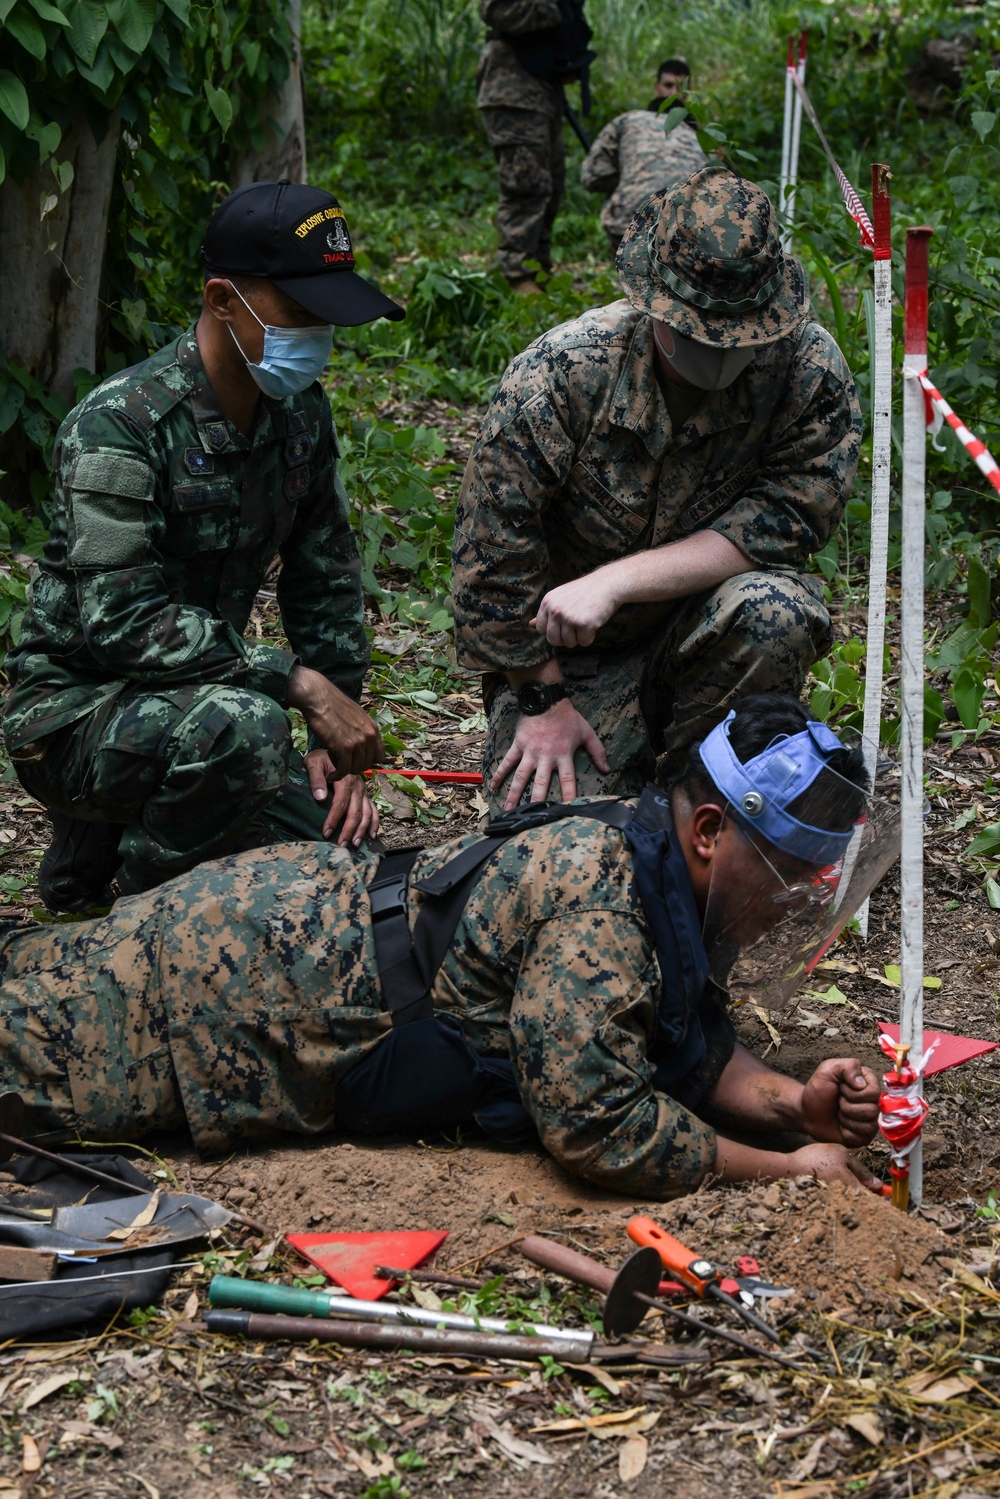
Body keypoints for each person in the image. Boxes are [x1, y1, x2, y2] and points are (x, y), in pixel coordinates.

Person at [0, 695, 892, 1200]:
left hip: (286, 928)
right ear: (709, 831)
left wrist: (791, 1104)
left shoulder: (652, 861)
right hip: (240, 993)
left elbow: (675, 1032)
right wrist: (786, 1169)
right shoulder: (602, 900)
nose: (787, 904)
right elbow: (599, 1125)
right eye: (783, 876)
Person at [2, 181, 404, 911]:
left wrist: (337, 738)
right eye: (300, 314)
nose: (318, 335)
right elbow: (123, 623)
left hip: (205, 697)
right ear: (223, 301)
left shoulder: (298, 413)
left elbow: (325, 577)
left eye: (328, 317)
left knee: (349, 864)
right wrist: (299, 685)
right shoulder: (121, 424)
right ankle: (129, 913)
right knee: (245, 732)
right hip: (80, 710)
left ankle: (127, 836)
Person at [452, 163, 862, 815]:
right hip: (569, 666)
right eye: (698, 327)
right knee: (549, 841)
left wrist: (617, 582)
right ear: (654, 304)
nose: (721, 348)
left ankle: (708, 787)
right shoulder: (564, 373)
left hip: (711, 640)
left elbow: (787, 518)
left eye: (743, 330)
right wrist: (541, 699)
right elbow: (491, 562)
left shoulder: (807, 373)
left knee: (775, 612)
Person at [476, 0, 595, 292]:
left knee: (551, 184)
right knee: (526, 184)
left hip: (543, 87)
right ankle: (518, 276)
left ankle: (538, 271)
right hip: (513, 88)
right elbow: (495, 10)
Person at [581, 59, 708, 255]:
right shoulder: (701, 136)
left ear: (689, 92)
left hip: (631, 225)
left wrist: (631, 183)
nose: (674, 93)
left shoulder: (629, 119)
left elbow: (591, 177)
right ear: (657, 88)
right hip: (693, 232)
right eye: (668, 85)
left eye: (680, 88)